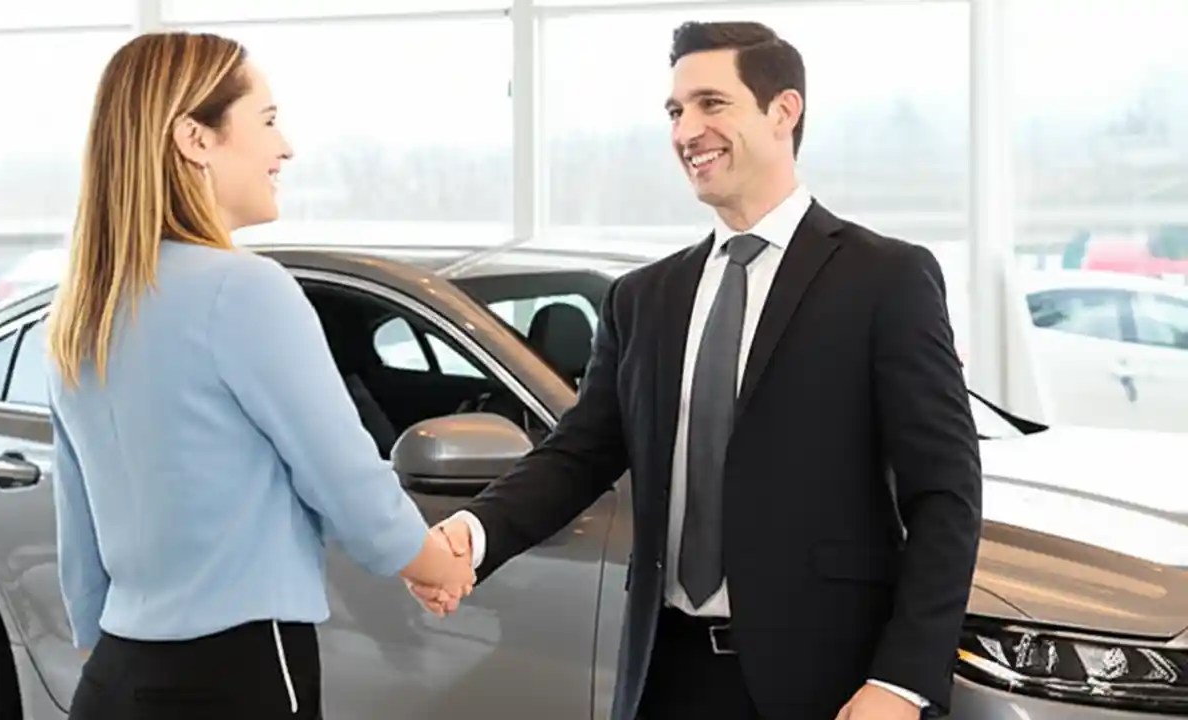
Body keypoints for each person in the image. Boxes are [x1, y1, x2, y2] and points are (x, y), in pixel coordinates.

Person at [411, 19, 982, 720]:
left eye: (712, 104)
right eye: (676, 111)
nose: (687, 131)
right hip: (666, 674)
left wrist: (901, 682)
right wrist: (471, 536)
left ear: (784, 111)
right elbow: (579, 454)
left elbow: (945, 494)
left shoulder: (885, 279)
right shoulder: (645, 297)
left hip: (828, 684)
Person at [46, 32, 474, 720]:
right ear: (195, 138)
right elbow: (342, 474)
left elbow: (81, 542)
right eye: (268, 120)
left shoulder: (80, 314)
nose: (287, 148)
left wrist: (115, 657)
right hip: (237, 673)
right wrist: (434, 564)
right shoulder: (243, 290)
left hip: (116, 677)